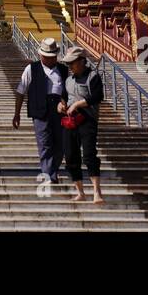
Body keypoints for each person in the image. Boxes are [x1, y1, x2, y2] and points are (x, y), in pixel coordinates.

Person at [12, 37, 67, 183]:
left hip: (59, 111)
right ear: (40, 55)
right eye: (47, 56)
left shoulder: (63, 70)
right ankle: (49, 174)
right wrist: (17, 114)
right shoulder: (31, 69)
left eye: (52, 56)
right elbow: (21, 91)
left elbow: (69, 91)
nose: (50, 59)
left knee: (60, 144)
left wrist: (65, 103)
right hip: (39, 110)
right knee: (44, 142)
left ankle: (53, 168)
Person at [58, 46, 105, 203]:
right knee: (70, 155)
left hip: (87, 120)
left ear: (82, 61)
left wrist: (78, 104)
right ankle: (80, 192)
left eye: (72, 62)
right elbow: (63, 98)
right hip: (70, 121)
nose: (70, 66)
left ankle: (97, 191)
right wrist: (61, 105)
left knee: (89, 154)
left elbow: (98, 96)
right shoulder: (68, 80)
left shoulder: (93, 77)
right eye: (68, 63)